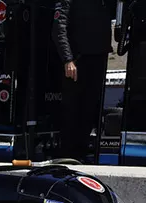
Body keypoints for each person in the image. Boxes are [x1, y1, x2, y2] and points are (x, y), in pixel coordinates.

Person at [52, 0, 116, 161]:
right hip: (77, 62)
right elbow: (59, 29)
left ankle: (82, 153)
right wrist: (68, 60)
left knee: (91, 109)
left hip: (98, 59)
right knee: (72, 111)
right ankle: (67, 156)